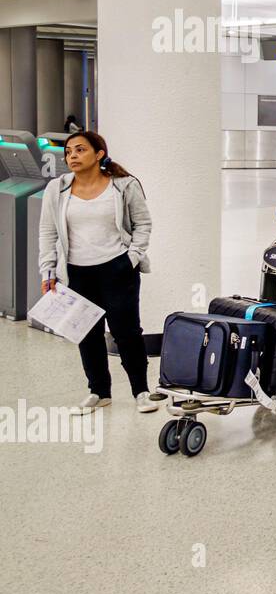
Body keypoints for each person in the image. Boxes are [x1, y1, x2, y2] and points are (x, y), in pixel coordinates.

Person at [37, 131, 155, 414]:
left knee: (126, 333)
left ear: (99, 153)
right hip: (76, 272)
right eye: (68, 152)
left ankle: (141, 391)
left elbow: (143, 224)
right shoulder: (58, 188)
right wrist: (47, 270)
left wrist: (132, 258)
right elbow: (47, 231)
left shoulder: (124, 185)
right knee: (87, 334)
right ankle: (99, 392)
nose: (72, 157)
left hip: (117, 268)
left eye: (79, 150)